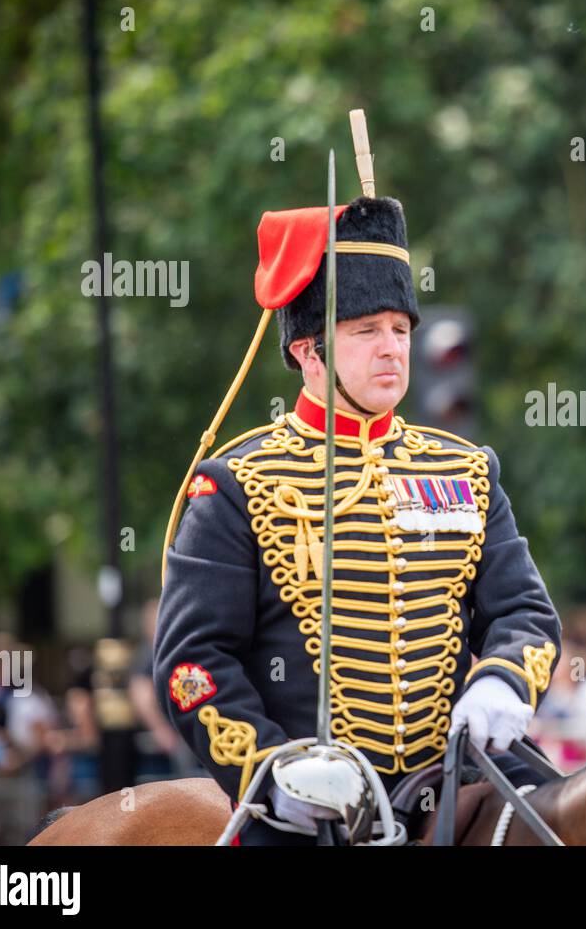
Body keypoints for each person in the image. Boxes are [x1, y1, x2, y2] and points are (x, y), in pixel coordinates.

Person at [155, 192, 561, 844]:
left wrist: (501, 680)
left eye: (401, 330)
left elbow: (525, 614)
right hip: (309, 801)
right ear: (309, 353)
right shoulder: (236, 483)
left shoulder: (465, 469)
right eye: (367, 331)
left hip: (457, 779)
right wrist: (270, 769)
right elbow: (193, 663)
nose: (392, 350)